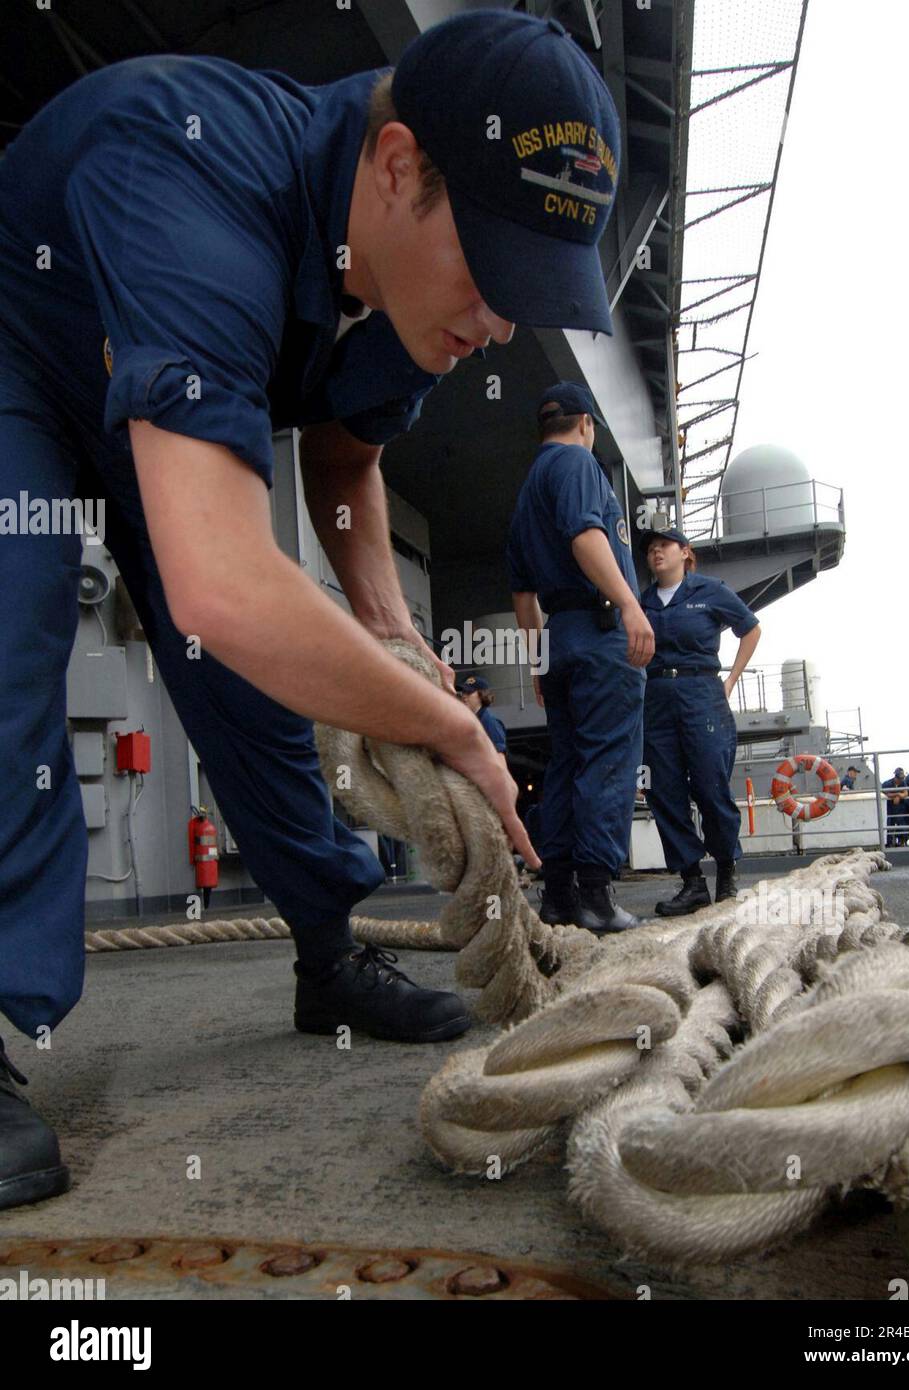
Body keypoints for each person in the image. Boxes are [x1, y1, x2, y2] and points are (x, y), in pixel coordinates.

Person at [0, 10, 622, 1209]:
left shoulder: (402, 294)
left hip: (160, 387)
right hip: (23, 344)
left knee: (270, 672)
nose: (499, 325)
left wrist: (391, 640)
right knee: (16, 612)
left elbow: (340, 469)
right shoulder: (192, 166)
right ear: (396, 169)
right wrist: (448, 729)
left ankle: (330, 955)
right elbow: (224, 587)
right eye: (492, 273)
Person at [507, 382, 654, 933]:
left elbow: (522, 595)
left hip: (561, 638)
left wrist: (539, 659)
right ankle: (596, 894)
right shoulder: (576, 465)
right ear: (586, 424)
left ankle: (560, 896)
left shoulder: (527, 492)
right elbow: (587, 538)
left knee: (567, 764)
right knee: (609, 759)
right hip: (598, 631)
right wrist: (630, 605)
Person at [639, 527, 761, 915]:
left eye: (664, 545)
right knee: (664, 792)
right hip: (656, 698)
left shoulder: (709, 591)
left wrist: (730, 681)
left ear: (684, 552)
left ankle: (726, 873)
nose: (656, 552)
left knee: (711, 786)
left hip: (702, 695)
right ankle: (692, 883)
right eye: (651, 548)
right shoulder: (640, 603)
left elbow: (751, 629)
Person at [457, 675, 508, 764]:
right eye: (463, 692)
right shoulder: (470, 719)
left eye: (469, 692)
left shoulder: (490, 723)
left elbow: (500, 758)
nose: (464, 696)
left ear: (481, 694)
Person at [882, 767, 909, 847]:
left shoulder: (903, 783)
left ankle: (901, 841)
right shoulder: (887, 783)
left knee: (902, 825)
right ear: (895, 777)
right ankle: (889, 843)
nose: (900, 780)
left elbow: (906, 793)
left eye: (902, 778)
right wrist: (897, 794)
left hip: (899, 808)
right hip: (889, 808)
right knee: (889, 825)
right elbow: (885, 794)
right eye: (899, 778)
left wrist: (899, 796)